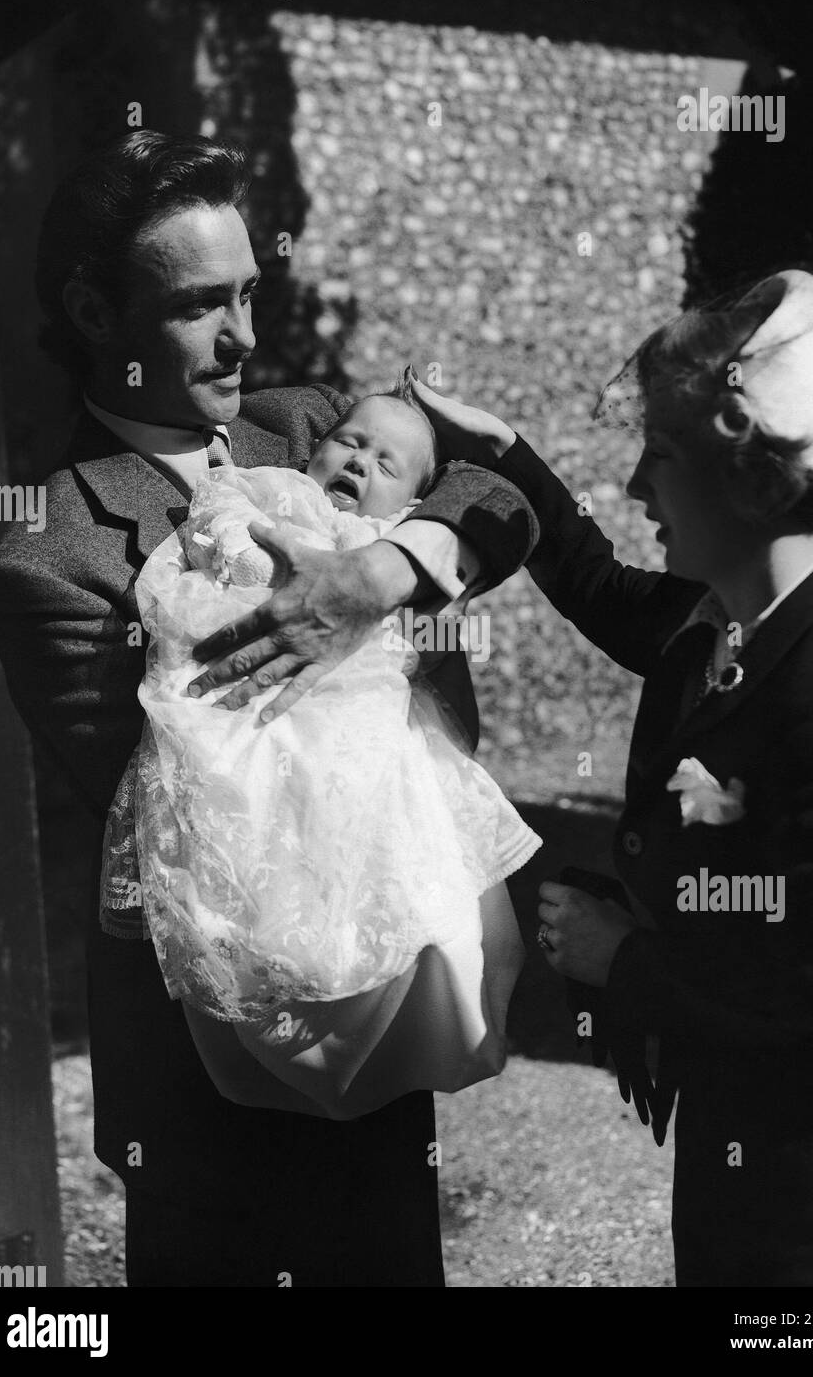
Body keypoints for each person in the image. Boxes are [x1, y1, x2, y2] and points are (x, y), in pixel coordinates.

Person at [0, 129, 538, 1287]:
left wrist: (387, 570)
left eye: (247, 295)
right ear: (92, 308)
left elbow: (494, 494)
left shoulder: (303, 423)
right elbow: (191, 821)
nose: (242, 337)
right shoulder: (51, 559)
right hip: (217, 1077)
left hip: (391, 1006)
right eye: (199, 307)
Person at [409, 269, 813, 1287]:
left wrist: (624, 956)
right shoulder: (715, 621)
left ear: (756, 479)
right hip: (741, 1165)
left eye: (662, 452)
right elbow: (594, 580)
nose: (636, 483)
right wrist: (499, 451)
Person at [102, 379, 540, 1120]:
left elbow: (498, 501)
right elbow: (222, 521)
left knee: (414, 884)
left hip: (368, 744)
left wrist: (393, 580)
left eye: (387, 462)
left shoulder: (397, 533)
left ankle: (407, 1024)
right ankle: (280, 1018)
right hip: (246, 735)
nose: (360, 461)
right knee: (257, 892)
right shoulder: (272, 487)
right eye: (350, 442)